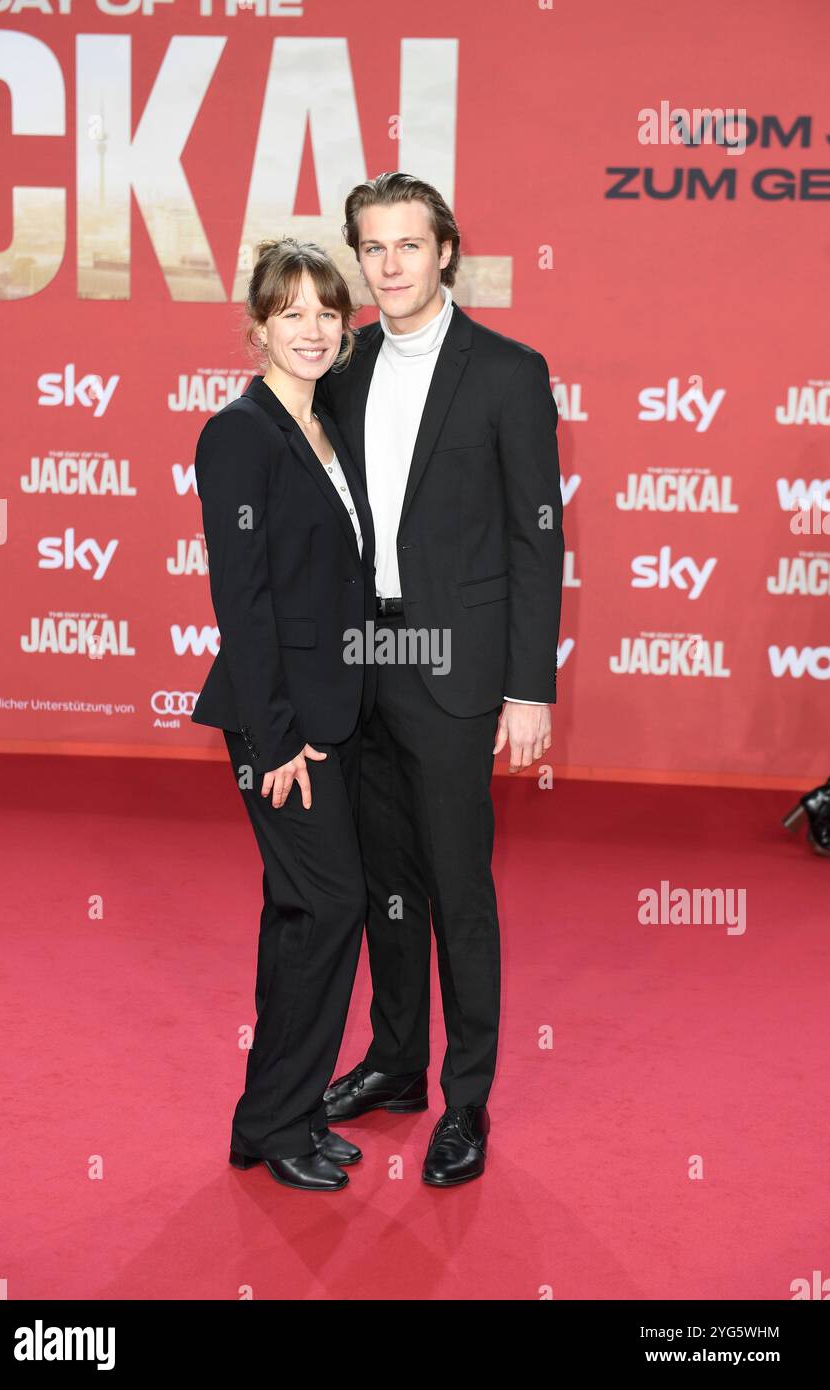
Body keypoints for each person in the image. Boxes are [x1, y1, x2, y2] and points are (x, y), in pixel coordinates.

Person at [314, 172, 564, 1187]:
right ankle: (395, 1061)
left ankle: (467, 1099)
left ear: (445, 251)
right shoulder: (342, 363)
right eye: (371, 248)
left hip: (456, 667)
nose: (389, 266)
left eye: (407, 246)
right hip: (364, 657)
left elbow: (535, 538)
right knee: (384, 881)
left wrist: (528, 687)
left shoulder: (507, 371)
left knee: (458, 886)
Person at [190, 237, 377, 1191]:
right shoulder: (240, 434)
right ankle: (276, 1120)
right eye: (291, 312)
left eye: (326, 312)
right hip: (281, 725)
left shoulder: (326, 426)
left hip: (332, 712)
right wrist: (277, 738)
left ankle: (282, 1113)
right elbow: (245, 601)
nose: (312, 329)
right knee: (334, 904)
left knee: (300, 911)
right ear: (257, 325)